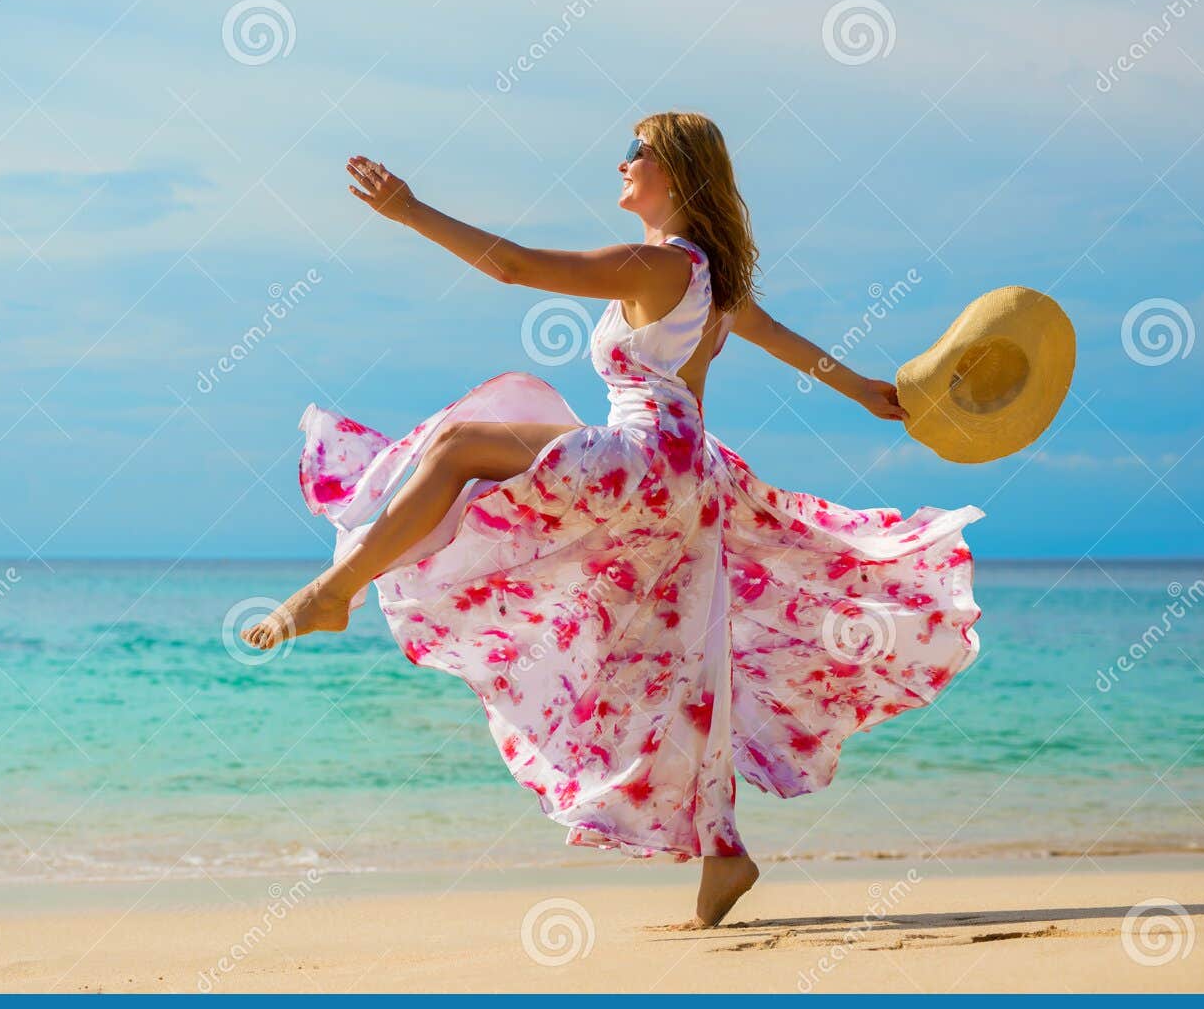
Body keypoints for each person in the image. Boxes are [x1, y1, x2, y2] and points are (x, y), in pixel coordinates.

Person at [241, 112, 982, 928]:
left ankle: (334, 591)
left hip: (650, 454)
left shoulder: (659, 265)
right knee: (682, 664)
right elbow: (786, 342)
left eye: (638, 152)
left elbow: (517, 266)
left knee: (458, 444)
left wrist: (411, 209)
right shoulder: (713, 278)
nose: (621, 162)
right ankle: (723, 852)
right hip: (689, 473)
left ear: (677, 173)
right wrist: (870, 390)